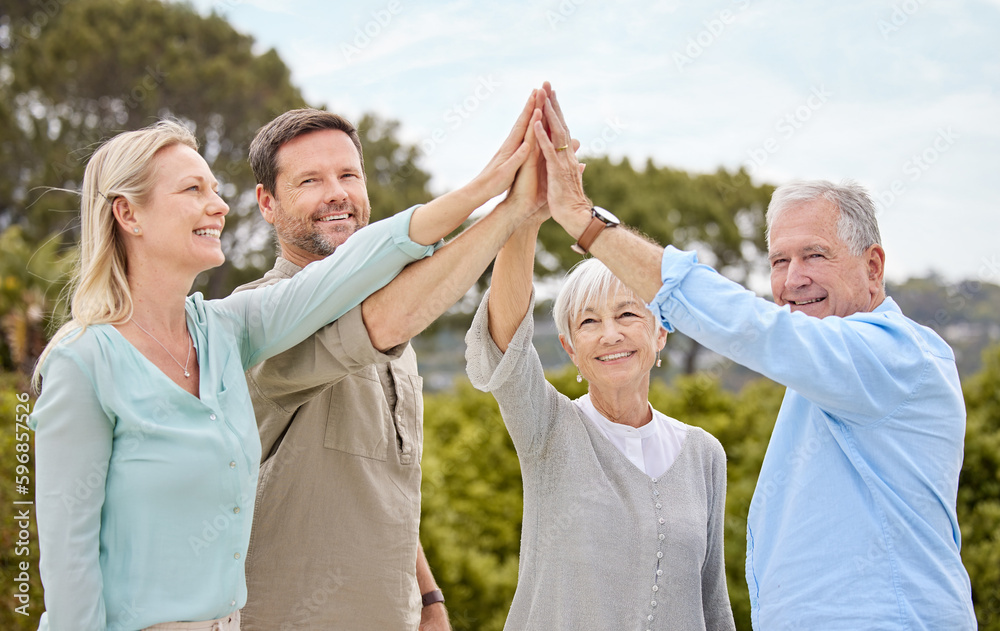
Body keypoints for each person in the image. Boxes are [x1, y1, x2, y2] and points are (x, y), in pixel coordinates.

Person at [29, 117, 525, 630]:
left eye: (215, 189)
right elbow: (70, 572)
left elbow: (355, 266)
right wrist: (508, 205)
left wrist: (427, 596)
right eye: (193, 189)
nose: (220, 205)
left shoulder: (224, 333)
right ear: (128, 213)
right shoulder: (83, 363)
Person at [532, 91, 977, 629]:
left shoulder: (897, 356)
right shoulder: (829, 376)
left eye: (815, 255)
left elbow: (758, 330)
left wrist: (586, 221)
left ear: (873, 268)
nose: (792, 280)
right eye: (780, 261)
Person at [234, 91, 548, 630]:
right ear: (267, 203)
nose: (337, 195)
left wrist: (428, 599)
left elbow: (380, 477)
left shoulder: (395, 331)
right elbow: (394, 314)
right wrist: (507, 207)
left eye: (348, 176)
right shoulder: (254, 325)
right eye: (310, 181)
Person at [464, 198, 735, 629]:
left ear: (660, 331)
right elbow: (506, 341)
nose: (610, 335)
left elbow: (713, 603)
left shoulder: (705, 455)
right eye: (588, 322)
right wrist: (525, 214)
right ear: (570, 347)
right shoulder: (548, 429)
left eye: (628, 314)